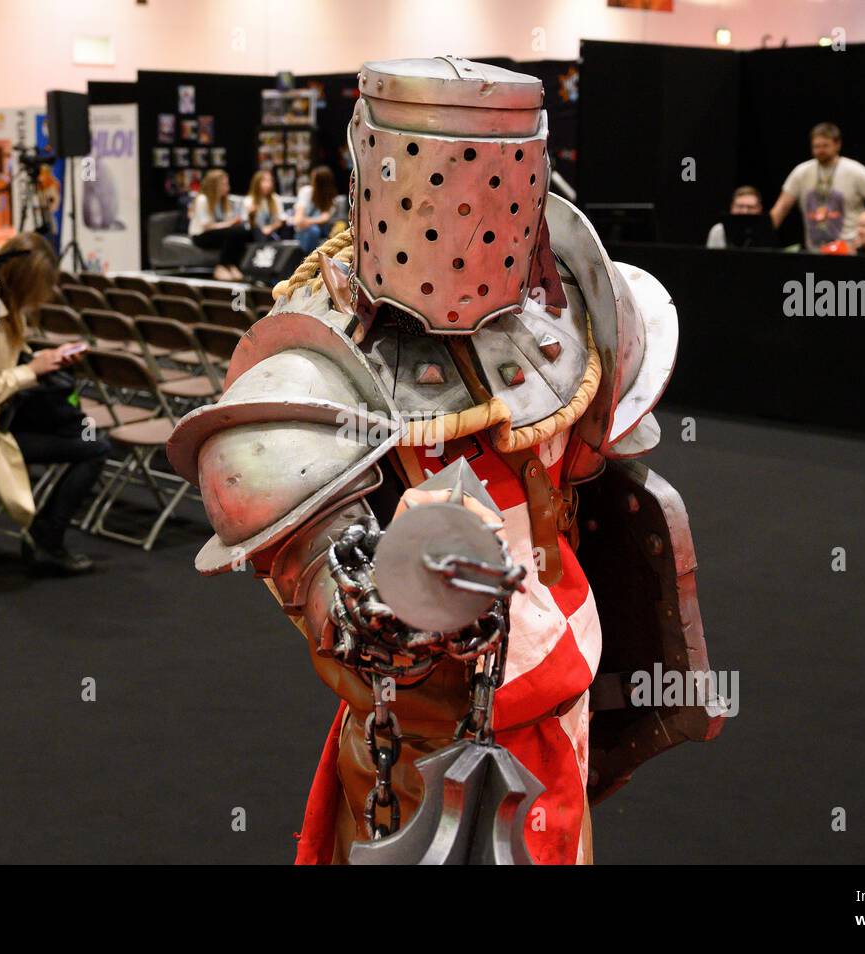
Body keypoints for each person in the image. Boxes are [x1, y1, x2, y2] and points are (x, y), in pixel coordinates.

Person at [166, 56, 722, 866]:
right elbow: (333, 592)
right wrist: (384, 599)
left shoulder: (581, 303)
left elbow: (593, 490)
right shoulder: (318, 344)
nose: (462, 206)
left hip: (563, 680)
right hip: (427, 720)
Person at [0, 231, 110, 574]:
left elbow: (2, 365)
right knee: (95, 448)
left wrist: (43, 358)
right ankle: (46, 539)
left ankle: (44, 535)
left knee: (85, 434)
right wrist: (31, 371)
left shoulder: (0, 305)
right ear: (26, 281)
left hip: (0, 416)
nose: (47, 295)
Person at [768, 122, 865, 251]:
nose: (820, 150)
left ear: (837, 145)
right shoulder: (801, 172)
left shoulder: (853, 170)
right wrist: (762, 237)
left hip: (847, 253)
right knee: (808, 272)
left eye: (825, 146)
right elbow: (781, 208)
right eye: (816, 146)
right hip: (814, 253)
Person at [188, 169, 248, 281]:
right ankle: (221, 266)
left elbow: (227, 221)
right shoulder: (203, 199)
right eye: (224, 184)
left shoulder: (224, 201)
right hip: (200, 235)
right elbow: (207, 226)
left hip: (216, 233)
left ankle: (231, 265)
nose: (227, 187)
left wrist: (233, 222)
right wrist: (229, 224)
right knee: (233, 233)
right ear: (215, 185)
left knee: (241, 232)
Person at [292, 165, 343, 253]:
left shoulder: (331, 199)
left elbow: (324, 218)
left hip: (323, 231)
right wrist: (310, 221)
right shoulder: (306, 191)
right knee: (314, 231)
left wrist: (306, 221)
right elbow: (298, 220)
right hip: (305, 233)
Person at [243, 169, 285, 241]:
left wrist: (270, 227)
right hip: (254, 233)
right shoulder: (249, 200)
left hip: (272, 232)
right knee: (257, 232)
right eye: (264, 181)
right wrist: (251, 215)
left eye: (270, 181)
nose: (268, 184)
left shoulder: (275, 198)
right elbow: (247, 225)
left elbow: (280, 221)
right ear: (257, 183)